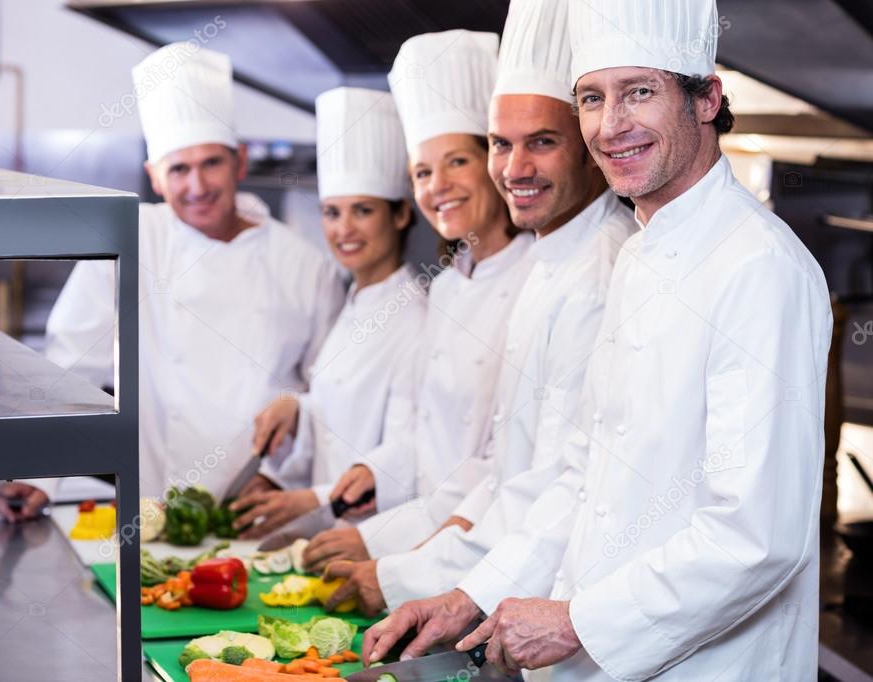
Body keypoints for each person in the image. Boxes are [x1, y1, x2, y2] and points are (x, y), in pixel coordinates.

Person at [362, 1, 832, 679]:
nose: (610, 126)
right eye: (590, 97)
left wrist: (579, 620)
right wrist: (469, 596)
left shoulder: (758, 266)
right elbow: (583, 477)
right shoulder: (638, 257)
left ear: (706, 99)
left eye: (638, 92)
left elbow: (756, 537)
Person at [321, 0, 636, 617]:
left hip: (535, 595)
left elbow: (562, 489)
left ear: (588, 149)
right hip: (487, 573)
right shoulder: (534, 265)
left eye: (542, 142)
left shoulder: (599, 271)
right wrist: (405, 554)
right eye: (500, 144)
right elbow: (505, 466)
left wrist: (414, 570)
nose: (516, 168)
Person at [0, 44, 345, 521]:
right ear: (154, 177)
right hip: (150, 509)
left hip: (260, 512)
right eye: (179, 169)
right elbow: (69, 365)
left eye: (211, 163)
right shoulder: (128, 242)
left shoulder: (307, 266)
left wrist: (283, 475)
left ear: (240, 161)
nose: (197, 185)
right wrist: (38, 473)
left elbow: (330, 394)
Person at [301, 30, 537, 572]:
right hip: (427, 542)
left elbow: (504, 463)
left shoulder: (535, 278)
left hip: (488, 555)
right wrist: (375, 479)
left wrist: (388, 546)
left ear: (496, 160)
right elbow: (422, 435)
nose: (438, 186)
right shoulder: (448, 286)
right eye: (423, 172)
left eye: (456, 162)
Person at [229, 87, 427, 539]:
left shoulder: (415, 319)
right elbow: (338, 418)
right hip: (329, 537)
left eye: (363, 211)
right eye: (332, 213)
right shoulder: (353, 304)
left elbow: (409, 456)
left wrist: (315, 500)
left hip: (376, 541)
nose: (344, 230)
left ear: (399, 214)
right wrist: (296, 408)